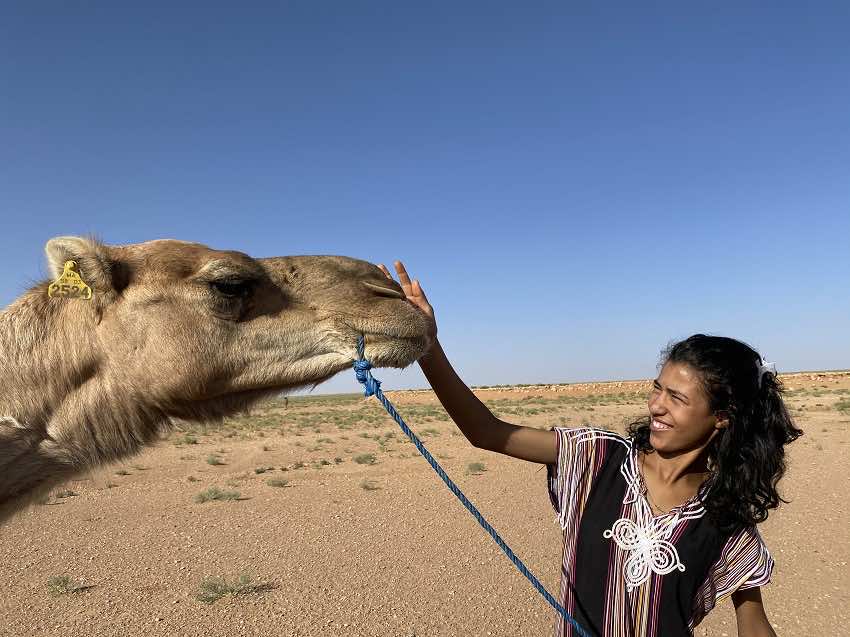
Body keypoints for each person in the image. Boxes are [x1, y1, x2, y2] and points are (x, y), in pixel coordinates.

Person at [378, 261, 802, 637]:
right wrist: (428, 345)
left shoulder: (725, 513)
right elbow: (486, 431)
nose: (656, 405)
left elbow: (753, 622)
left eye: (677, 398)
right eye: (657, 389)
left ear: (722, 416)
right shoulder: (597, 458)